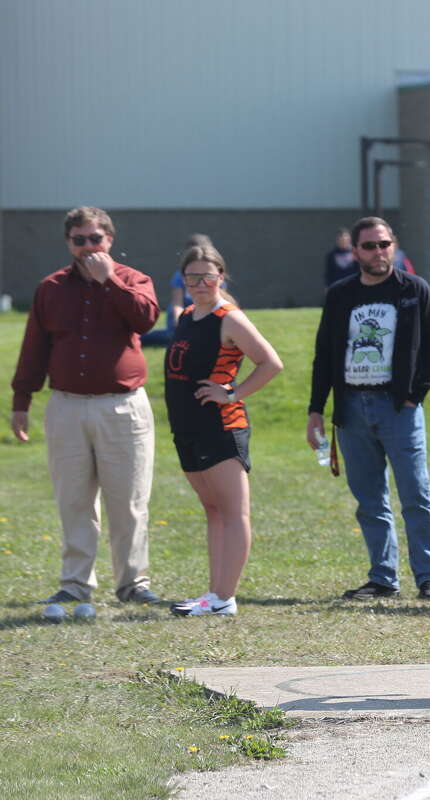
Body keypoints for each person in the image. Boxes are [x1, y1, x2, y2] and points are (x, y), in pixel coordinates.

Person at [10, 206, 161, 617]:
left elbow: (147, 319)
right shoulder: (51, 287)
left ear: (110, 239)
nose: (88, 247)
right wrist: (21, 401)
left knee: (128, 500)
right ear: (68, 243)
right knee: (74, 499)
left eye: (96, 239)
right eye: (80, 240)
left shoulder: (132, 280)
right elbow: (35, 348)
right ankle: (75, 585)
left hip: (122, 407)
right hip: (66, 406)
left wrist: (108, 280)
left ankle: (133, 583)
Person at [307, 216, 430, 601]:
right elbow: (323, 355)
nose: (378, 252)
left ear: (394, 246)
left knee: (415, 493)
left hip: (398, 408)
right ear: (354, 251)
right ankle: (383, 578)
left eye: (384, 244)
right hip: (351, 408)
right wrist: (315, 410)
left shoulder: (414, 290)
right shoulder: (340, 295)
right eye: (369, 246)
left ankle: (429, 576)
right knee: (369, 499)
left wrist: (414, 395)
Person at [166, 245, 283, 616]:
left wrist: (231, 393)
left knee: (233, 512)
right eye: (192, 277)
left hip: (221, 429)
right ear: (183, 280)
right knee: (213, 510)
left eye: (208, 276)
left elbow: (270, 363)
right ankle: (214, 595)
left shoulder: (229, 318)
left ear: (221, 276)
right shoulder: (187, 314)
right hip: (188, 428)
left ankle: (224, 598)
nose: (200, 283)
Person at [141, 234, 214, 347]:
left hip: (204, 321)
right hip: (182, 324)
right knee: (171, 338)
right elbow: (177, 304)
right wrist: (180, 323)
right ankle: (138, 337)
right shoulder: (180, 276)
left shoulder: (215, 276)